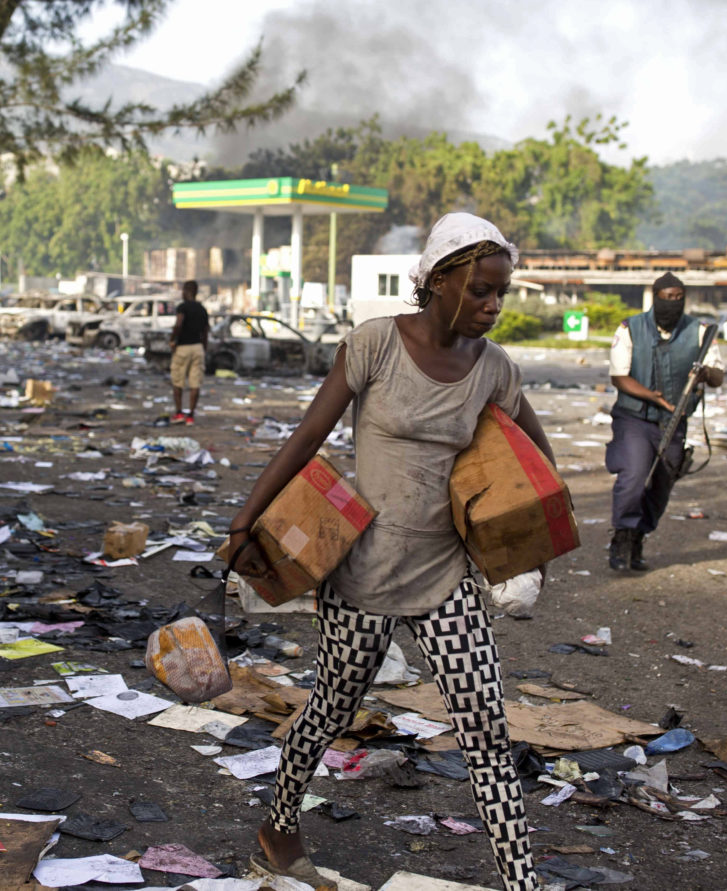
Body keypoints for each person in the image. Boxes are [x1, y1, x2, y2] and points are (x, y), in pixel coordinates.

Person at [229, 214, 552, 891]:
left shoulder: (494, 369)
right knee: (330, 710)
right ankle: (278, 827)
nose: (495, 306)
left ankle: (523, 882)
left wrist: (528, 547)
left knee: (486, 730)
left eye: (503, 293)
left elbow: (536, 464)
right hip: (361, 576)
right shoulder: (375, 344)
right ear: (439, 281)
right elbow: (305, 438)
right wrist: (246, 520)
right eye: (483, 291)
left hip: (446, 578)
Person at [605, 272, 724, 571]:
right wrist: (653, 397)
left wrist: (705, 374)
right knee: (633, 477)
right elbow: (619, 377)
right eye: (666, 297)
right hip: (634, 418)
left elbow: (718, 377)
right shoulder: (631, 328)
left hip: (674, 422)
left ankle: (639, 537)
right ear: (655, 297)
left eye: (678, 297)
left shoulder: (700, 331)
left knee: (661, 485)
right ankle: (622, 536)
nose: (672, 303)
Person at [168, 279, 209, 425]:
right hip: (197, 348)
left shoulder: (182, 307)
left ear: (186, 291)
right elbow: (205, 332)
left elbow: (178, 324)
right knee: (195, 383)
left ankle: (179, 413)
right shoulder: (202, 309)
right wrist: (204, 348)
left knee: (178, 381)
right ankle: (190, 415)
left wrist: (173, 340)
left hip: (183, 347)